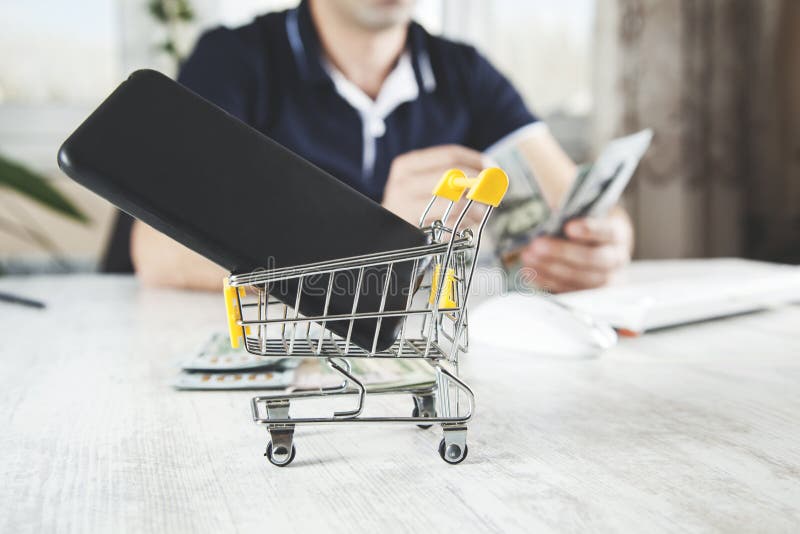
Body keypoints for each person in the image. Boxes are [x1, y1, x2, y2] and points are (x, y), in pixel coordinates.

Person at [130, 0, 633, 293]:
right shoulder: (233, 62)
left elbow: (580, 199)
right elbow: (155, 250)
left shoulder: (464, 71)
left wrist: (608, 242)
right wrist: (367, 243)